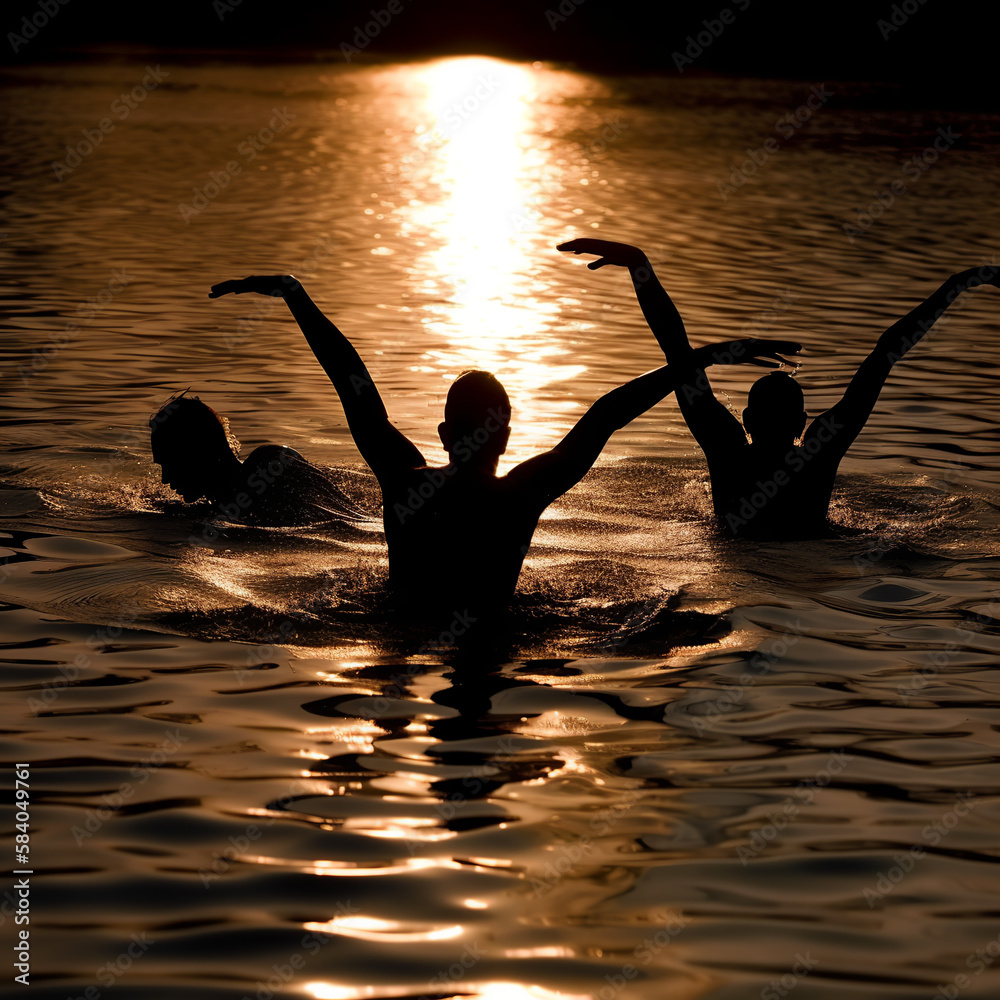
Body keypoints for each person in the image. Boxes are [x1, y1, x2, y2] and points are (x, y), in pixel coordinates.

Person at [208, 269, 800, 618]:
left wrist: (295, 294)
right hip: (496, 636)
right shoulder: (522, 495)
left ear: (443, 434)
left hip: (396, 630)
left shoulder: (405, 482)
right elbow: (607, 414)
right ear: (510, 437)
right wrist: (703, 357)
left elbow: (353, 384)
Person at [559, 238, 1000, 539]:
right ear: (804, 423)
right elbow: (885, 354)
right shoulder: (819, 452)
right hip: (819, 556)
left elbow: (676, 348)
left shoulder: (728, 448)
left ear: (747, 421)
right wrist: (960, 283)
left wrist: (640, 266)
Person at [150, 391, 365, 526]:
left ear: (197, 455)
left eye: (171, 464)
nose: (165, 479)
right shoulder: (229, 499)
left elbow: (339, 525)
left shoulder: (268, 466)